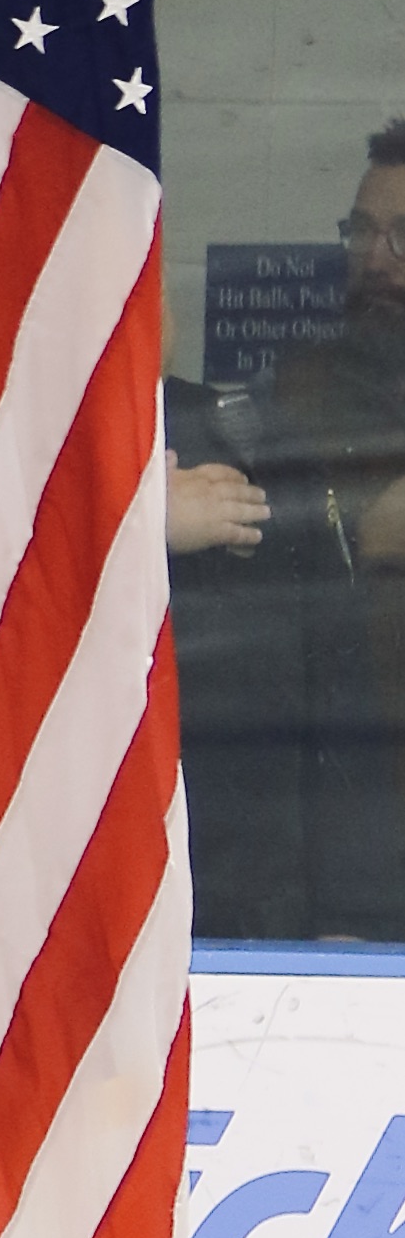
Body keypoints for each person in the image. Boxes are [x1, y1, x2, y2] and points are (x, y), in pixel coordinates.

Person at [166, 120, 405, 936]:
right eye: (361, 231)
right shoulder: (289, 400)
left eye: (402, 237)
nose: (373, 259)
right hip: (341, 815)